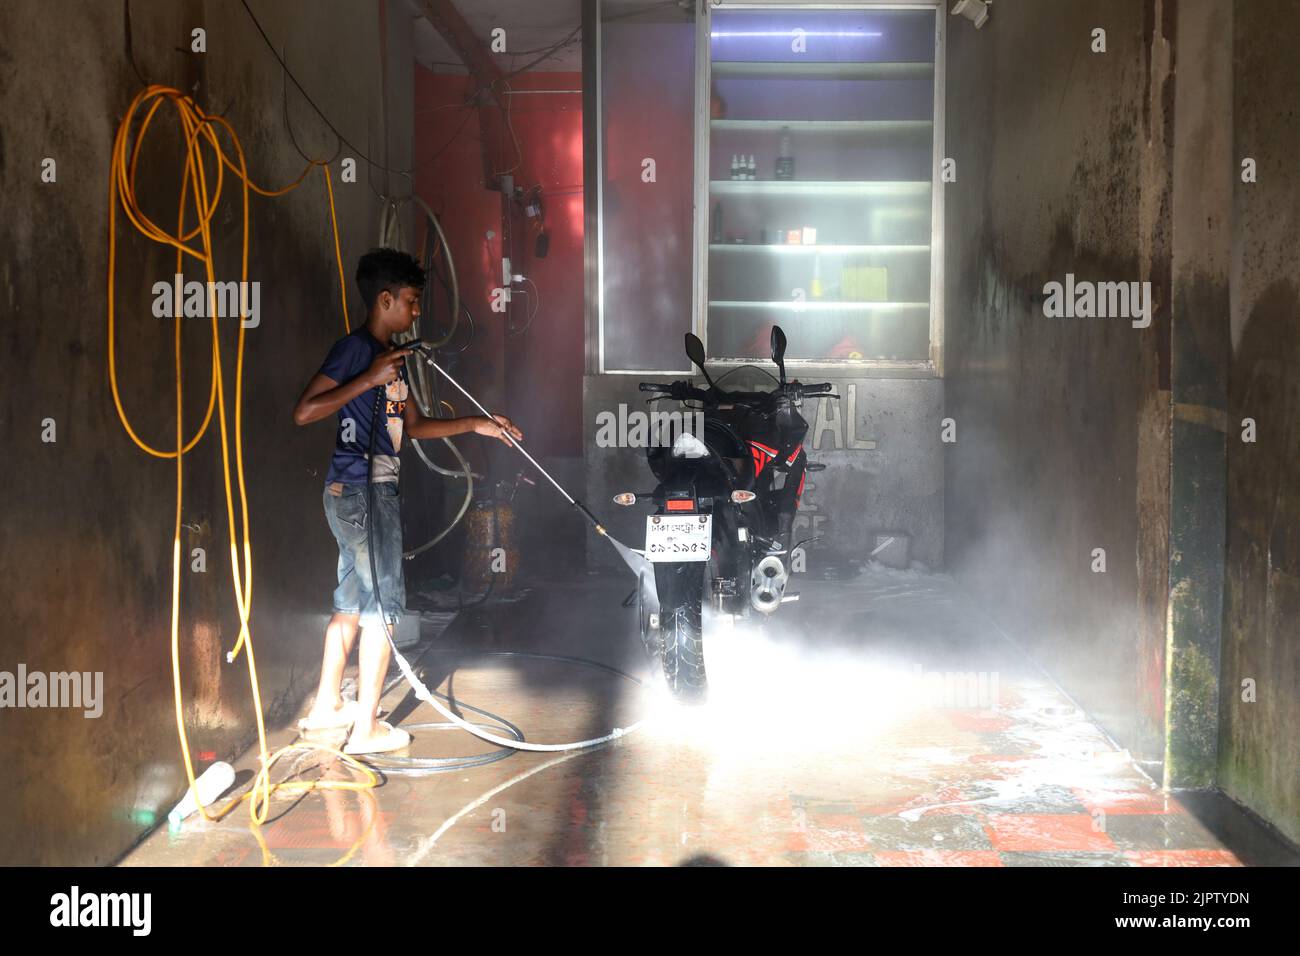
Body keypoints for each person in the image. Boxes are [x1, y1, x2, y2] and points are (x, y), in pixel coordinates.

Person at [292, 247, 522, 754]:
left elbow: (413, 426)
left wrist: (479, 425)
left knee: (350, 601)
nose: (417, 312)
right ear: (385, 299)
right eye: (412, 302)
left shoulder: (390, 359)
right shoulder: (357, 352)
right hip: (364, 494)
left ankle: (328, 706)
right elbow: (305, 411)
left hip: (362, 494)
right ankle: (367, 729)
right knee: (384, 607)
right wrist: (367, 379)